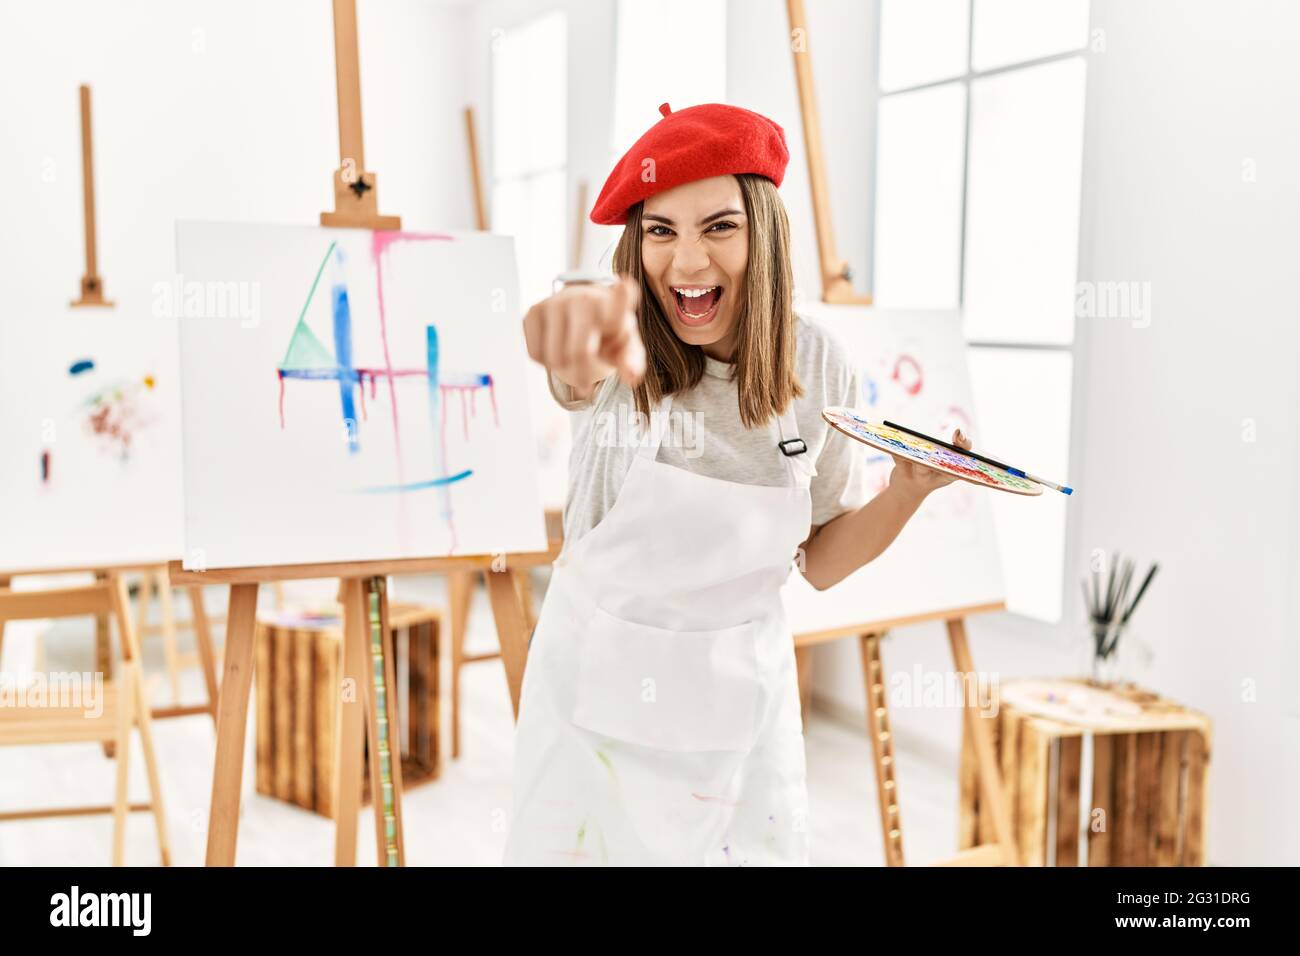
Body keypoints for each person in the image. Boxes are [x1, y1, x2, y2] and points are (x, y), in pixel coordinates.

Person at [504, 102, 970, 866]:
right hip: (592, 716)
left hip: (740, 728)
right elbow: (570, 363)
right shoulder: (621, 344)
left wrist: (906, 493)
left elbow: (820, 562)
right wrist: (563, 331)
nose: (687, 263)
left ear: (766, 234)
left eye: (719, 227)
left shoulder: (817, 366)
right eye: (661, 231)